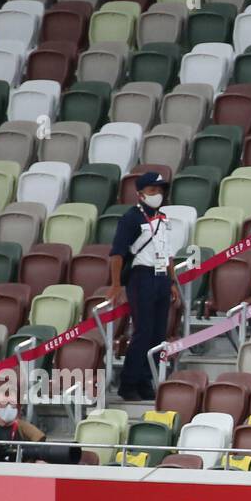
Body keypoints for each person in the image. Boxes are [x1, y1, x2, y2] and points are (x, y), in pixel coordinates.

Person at [107, 170, 175, 402]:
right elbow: (116, 254)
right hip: (142, 277)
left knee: (158, 333)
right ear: (140, 194)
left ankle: (146, 380)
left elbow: (168, 253)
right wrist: (116, 285)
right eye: (153, 190)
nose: (158, 194)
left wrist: (172, 281)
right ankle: (129, 383)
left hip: (161, 277)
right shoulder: (131, 218)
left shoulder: (163, 218)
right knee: (143, 331)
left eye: (160, 190)